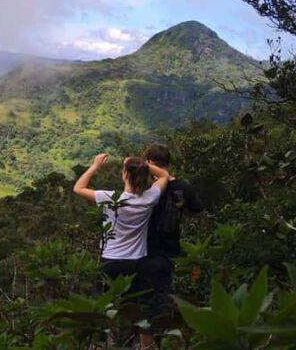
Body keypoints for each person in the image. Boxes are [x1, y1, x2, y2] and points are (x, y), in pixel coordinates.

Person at [72, 152, 170, 304]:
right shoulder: (150, 198)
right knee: (132, 306)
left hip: (110, 261)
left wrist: (95, 165)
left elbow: (78, 188)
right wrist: (143, 165)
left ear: (125, 175)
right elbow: (164, 175)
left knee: (104, 305)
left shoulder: (110, 199)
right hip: (136, 262)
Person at [139, 143, 204, 346]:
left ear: (149, 163)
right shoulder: (182, 188)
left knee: (145, 306)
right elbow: (198, 211)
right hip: (171, 253)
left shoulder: (147, 188)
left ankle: (147, 346)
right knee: (164, 301)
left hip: (145, 253)